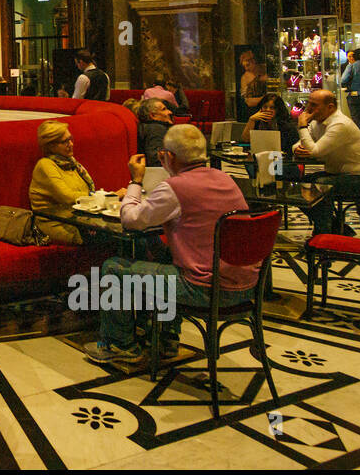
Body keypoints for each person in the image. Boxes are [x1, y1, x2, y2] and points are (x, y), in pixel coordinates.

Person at [84, 125, 253, 363]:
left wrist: (136, 181)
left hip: (205, 289)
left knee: (113, 268)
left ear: (169, 156)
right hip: (246, 285)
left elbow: (131, 219)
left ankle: (119, 344)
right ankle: (166, 337)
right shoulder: (225, 179)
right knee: (160, 253)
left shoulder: (175, 187)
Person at [294, 89, 360, 235]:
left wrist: (302, 126)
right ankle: (335, 228)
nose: (308, 109)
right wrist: (297, 149)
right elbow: (301, 143)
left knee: (321, 186)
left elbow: (315, 151)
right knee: (300, 187)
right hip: (339, 174)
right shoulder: (317, 122)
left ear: (330, 107)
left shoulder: (340, 124)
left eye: (314, 105)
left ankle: (324, 233)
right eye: (309, 103)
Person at [29, 121, 99, 245]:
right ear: (50, 146)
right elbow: (67, 197)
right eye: (65, 141)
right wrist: (103, 197)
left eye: (70, 139)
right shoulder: (45, 165)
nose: (71, 144)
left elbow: (85, 193)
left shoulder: (71, 164)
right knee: (102, 240)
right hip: (54, 223)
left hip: (77, 220)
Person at [340, 48, 360, 136]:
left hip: (354, 95)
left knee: (356, 120)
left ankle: (359, 138)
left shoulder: (352, 65)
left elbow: (343, 79)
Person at [238, 48, 269, 116]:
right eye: (244, 66)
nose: (246, 68)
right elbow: (248, 101)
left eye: (248, 65)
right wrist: (266, 98)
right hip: (255, 111)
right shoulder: (245, 78)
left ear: (253, 61)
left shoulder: (265, 68)